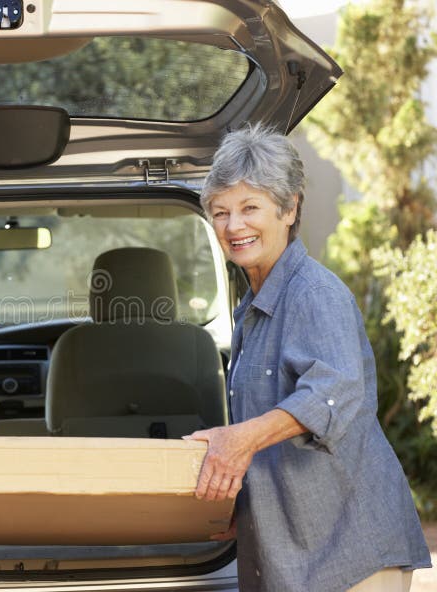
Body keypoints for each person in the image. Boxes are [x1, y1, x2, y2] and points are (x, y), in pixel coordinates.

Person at [183, 125, 431, 592]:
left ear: (290, 207)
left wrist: (238, 440)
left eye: (250, 207)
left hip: (351, 554)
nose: (234, 226)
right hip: (299, 552)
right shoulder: (253, 312)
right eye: (221, 212)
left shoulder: (314, 293)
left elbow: (334, 392)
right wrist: (249, 503)